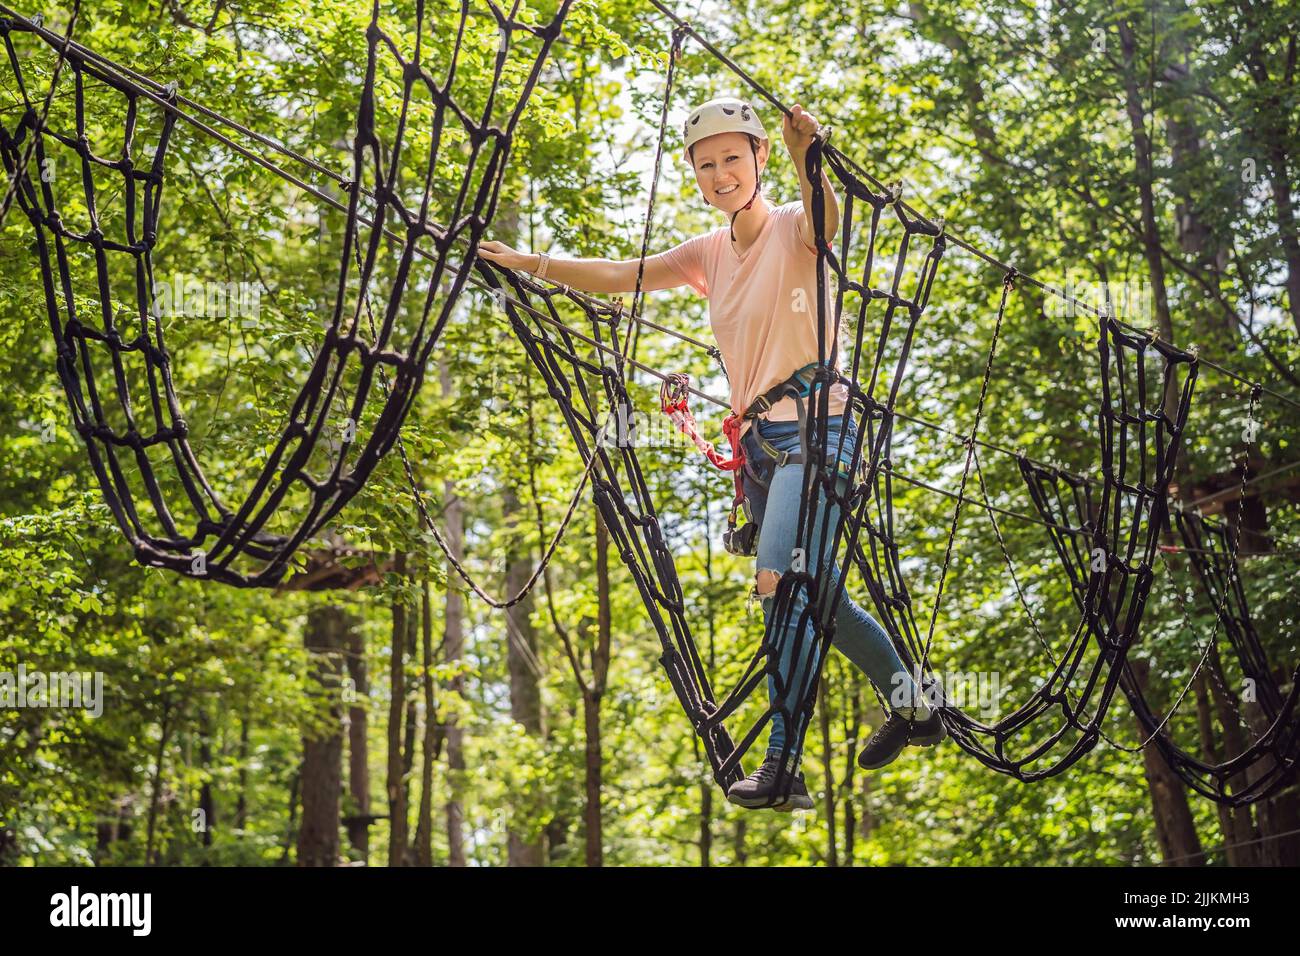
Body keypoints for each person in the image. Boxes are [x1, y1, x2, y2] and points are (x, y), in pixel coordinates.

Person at [478, 96, 944, 812]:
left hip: (821, 432)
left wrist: (803, 154)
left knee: (778, 581)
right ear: (694, 176)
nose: (721, 173)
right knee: (821, 593)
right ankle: (915, 706)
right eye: (707, 164)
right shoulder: (705, 253)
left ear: (758, 159)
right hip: (760, 447)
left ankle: (783, 762)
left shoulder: (795, 229)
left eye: (734, 157)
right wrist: (525, 263)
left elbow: (827, 217)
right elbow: (621, 275)